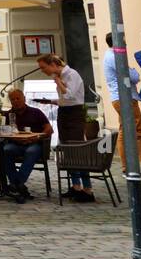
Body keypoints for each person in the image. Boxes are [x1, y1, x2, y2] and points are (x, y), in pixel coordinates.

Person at [35, 52, 96, 198]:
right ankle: (75, 186)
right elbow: (64, 99)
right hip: (64, 112)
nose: (43, 71)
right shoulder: (60, 76)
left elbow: (70, 96)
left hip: (74, 115)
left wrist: (58, 83)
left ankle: (87, 189)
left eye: (44, 68)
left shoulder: (71, 75)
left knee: (77, 150)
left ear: (53, 65)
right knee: (68, 150)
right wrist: (50, 101)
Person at [98, 36, 141, 180]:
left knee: (124, 132)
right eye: (124, 39)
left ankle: (126, 168)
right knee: (138, 131)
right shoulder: (115, 57)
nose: (125, 41)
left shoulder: (109, 56)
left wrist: (133, 73)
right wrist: (134, 73)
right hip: (126, 97)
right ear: (117, 41)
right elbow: (133, 76)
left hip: (119, 97)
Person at [2, 88, 54, 204]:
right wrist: (16, 138)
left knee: (31, 151)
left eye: (18, 98)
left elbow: (49, 129)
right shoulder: (9, 115)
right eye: (12, 99)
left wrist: (37, 137)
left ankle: (17, 183)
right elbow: (5, 132)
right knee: (6, 149)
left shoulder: (36, 112)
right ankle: (18, 185)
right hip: (16, 144)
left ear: (24, 98)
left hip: (33, 143)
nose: (15, 101)